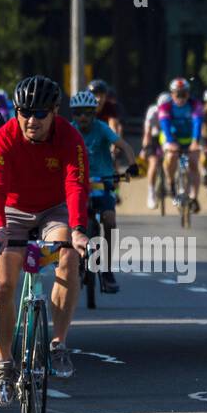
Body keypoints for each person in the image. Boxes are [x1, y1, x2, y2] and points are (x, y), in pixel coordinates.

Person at [0, 75, 90, 404]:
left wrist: (78, 229)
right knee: (2, 284)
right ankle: (4, 361)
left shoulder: (70, 137)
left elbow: (76, 184)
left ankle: (58, 343)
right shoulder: (3, 139)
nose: (32, 120)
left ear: (55, 112)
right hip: (12, 212)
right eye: (24, 112)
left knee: (68, 256)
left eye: (40, 113)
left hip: (53, 210)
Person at [70, 89, 136, 294]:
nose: (83, 117)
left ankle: (106, 268)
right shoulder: (69, 131)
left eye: (87, 113)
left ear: (94, 114)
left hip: (103, 181)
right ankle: (73, 262)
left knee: (109, 219)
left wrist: (132, 165)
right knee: (70, 222)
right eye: (78, 113)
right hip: (78, 183)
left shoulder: (102, 128)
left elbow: (124, 145)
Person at [157, 77, 204, 212]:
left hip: (190, 139)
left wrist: (195, 141)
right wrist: (171, 142)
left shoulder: (196, 105)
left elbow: (197, 123)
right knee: (171, 157)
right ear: (172, 94)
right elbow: (165, 125)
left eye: (184, 94)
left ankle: (194, 197)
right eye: (178, 94)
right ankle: (171, 182)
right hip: (171, 138)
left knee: (194, 162)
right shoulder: (165, 106)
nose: (181, 98)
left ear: (188, 94)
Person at [142, 92, 170, 209]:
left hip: (167, 136)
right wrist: (144, 148)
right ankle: (151, 192)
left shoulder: (174, 111)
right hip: (154, 137)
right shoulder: (152, 112)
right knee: (153, 163)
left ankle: (173, 183)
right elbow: (147, 132)